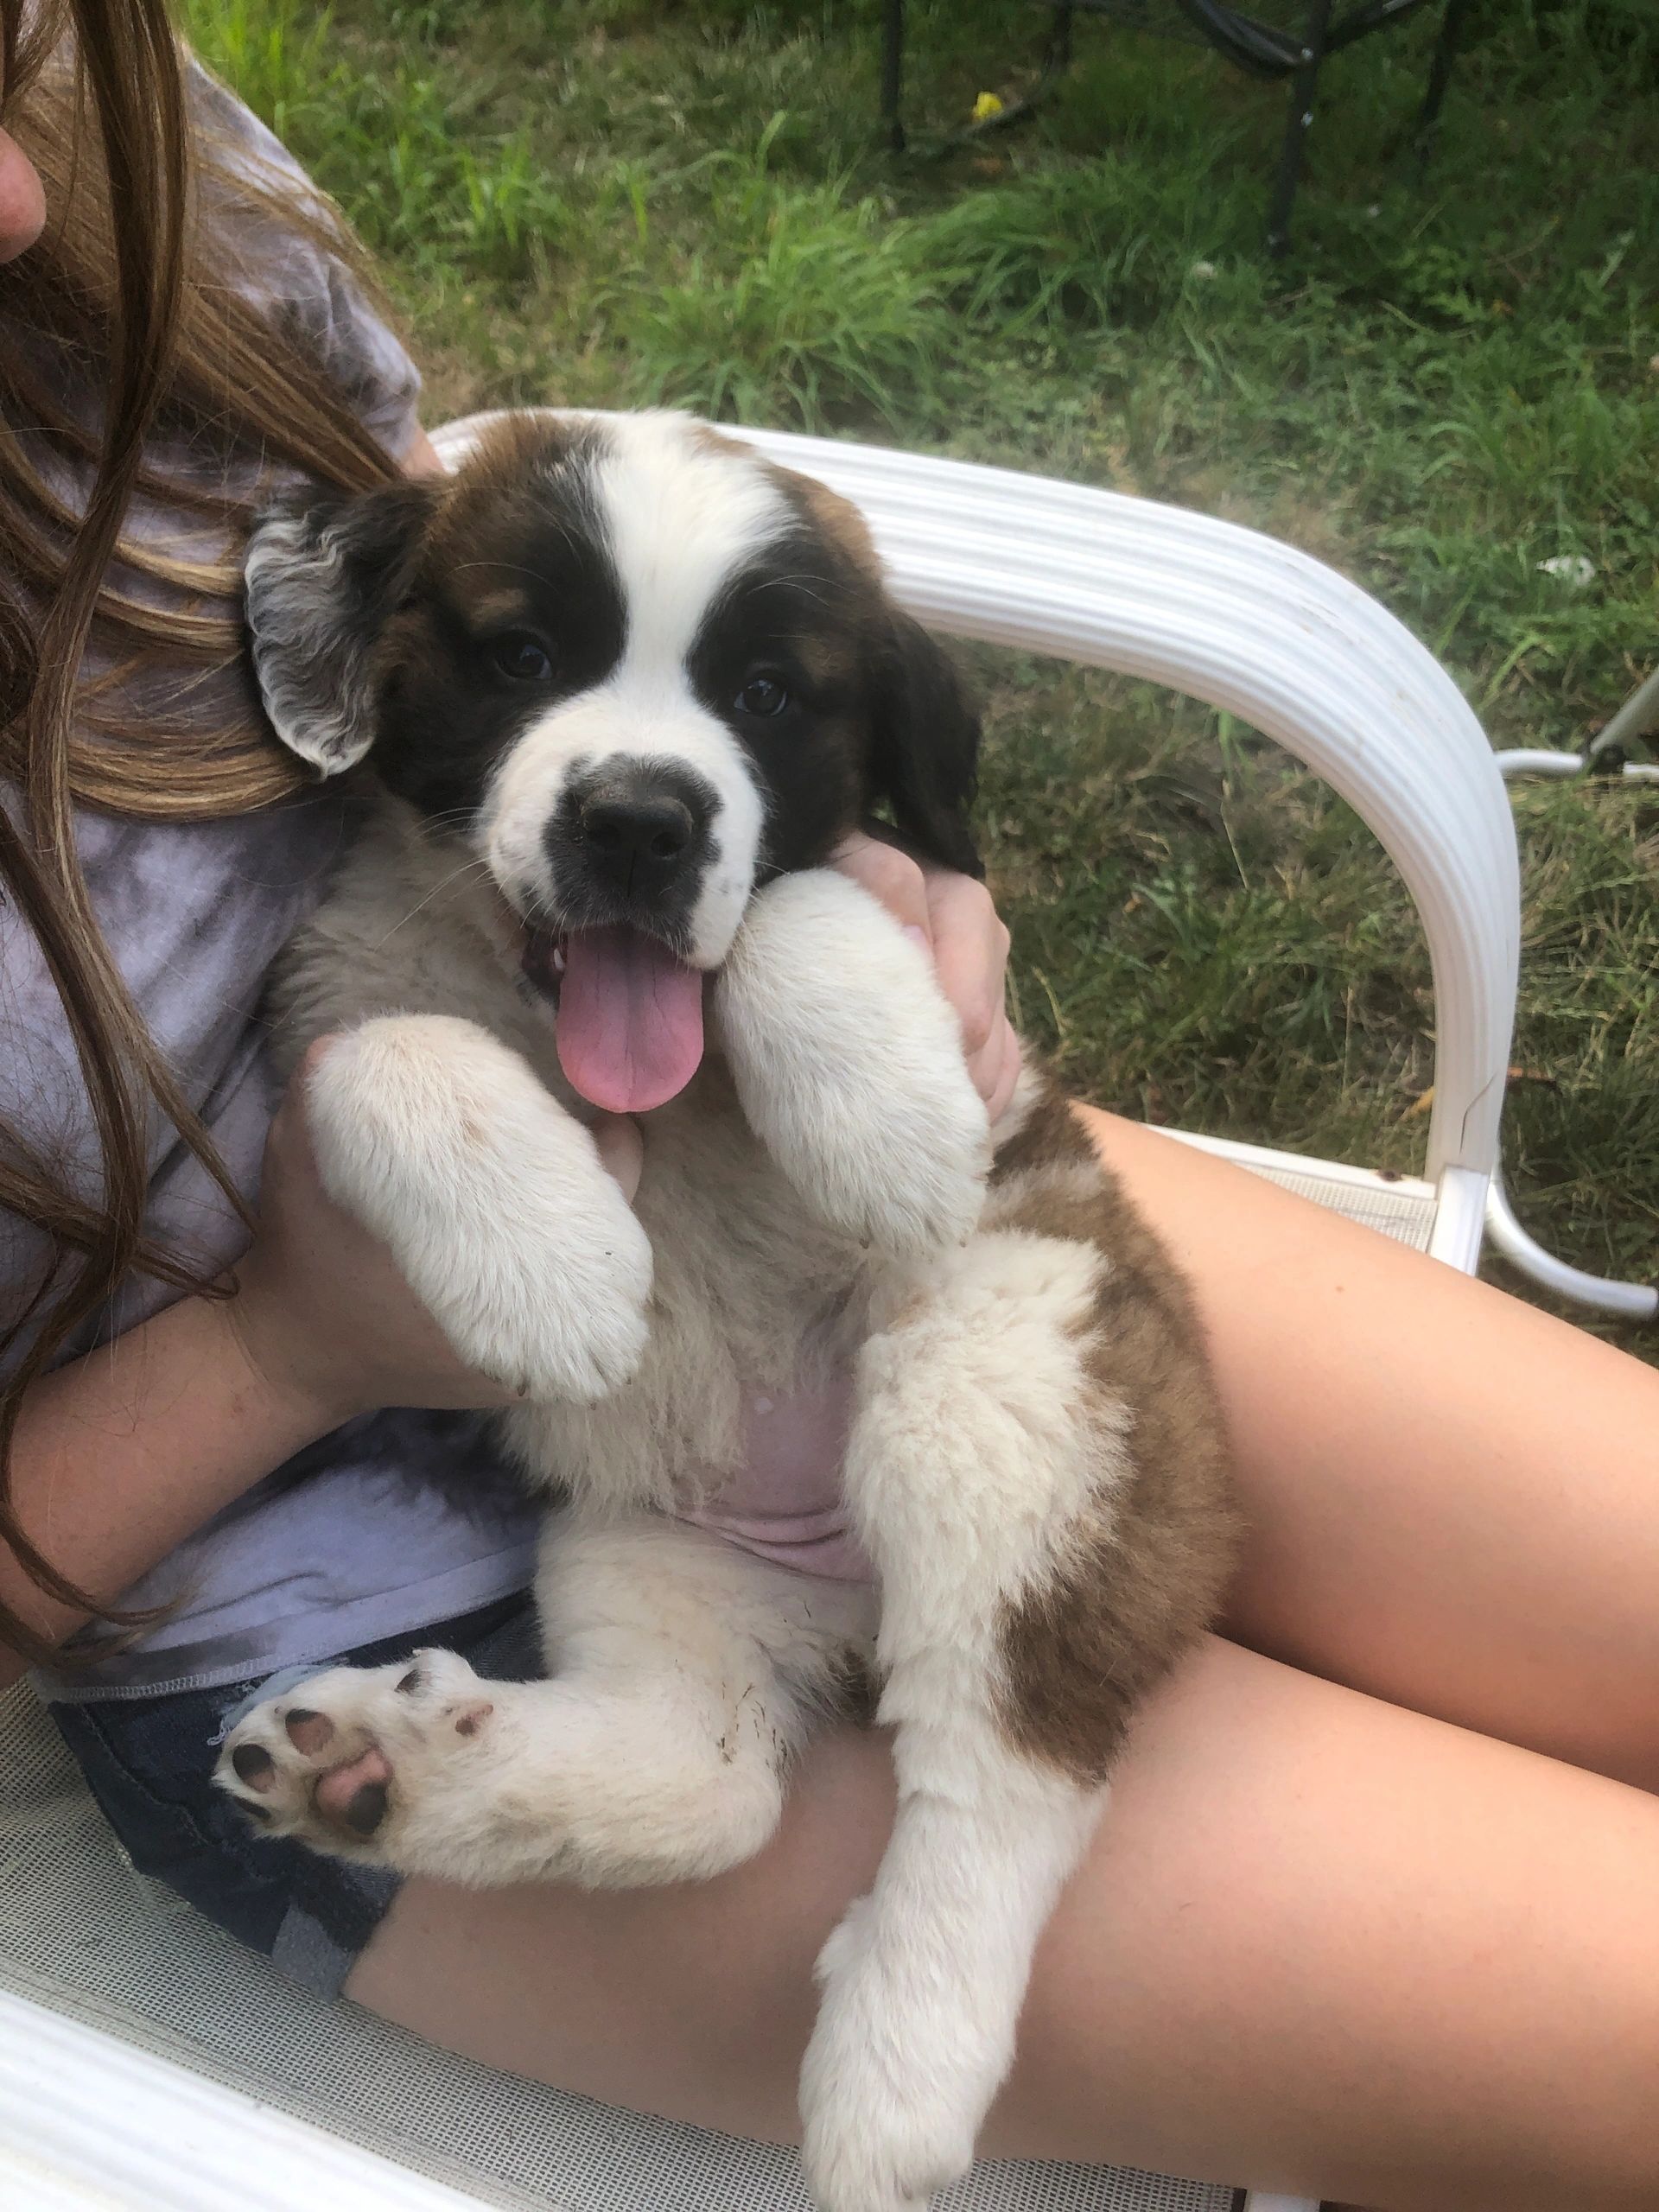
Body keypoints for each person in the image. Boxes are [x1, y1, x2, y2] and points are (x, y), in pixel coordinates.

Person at [1, 8, 1656, 2209]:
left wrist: (895, 890)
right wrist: (286, 1344)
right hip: (343, 1596)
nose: (19, 192)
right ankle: (863, 1847)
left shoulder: (108, 161)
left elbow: (469, 563)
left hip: (856, 1215)